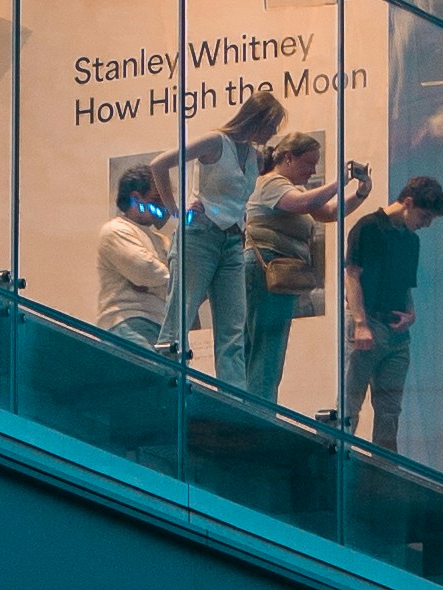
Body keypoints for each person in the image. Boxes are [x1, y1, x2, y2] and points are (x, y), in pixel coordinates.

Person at [151, 87, 283, 377]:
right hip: (200, 236)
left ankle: (232, 398)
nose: (273, 132)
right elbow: (159, 164)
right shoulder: (215, 142)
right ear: (257, 119)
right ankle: (167, 385)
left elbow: (238, 199)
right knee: (180, 317)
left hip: (233, 242)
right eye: (271, 125)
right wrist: (175, 210)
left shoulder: (256, 158)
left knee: (232, 330)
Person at [233, 136, 362, 410]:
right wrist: (339, 183)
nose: (312, 171)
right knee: (267, 348)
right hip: (268, 271)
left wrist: (360, 193)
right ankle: (260, 412)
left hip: (276, 275)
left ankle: (255, 407)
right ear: (288, 158)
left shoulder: (291, 188)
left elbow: (329, 212)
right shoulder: (272, 183)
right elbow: (302, 204)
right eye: (308, 163)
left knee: (264, 347)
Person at [339, 169, 443, 451]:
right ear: (408, 203)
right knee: (351, 401)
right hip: (368, 322)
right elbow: (352, 276)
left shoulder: (411, 240)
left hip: (397, 332)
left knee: (390, 409)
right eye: (424, 216)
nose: (426, 224)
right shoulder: (367, 227)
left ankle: (384, 465)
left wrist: (411, 314)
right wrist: (360, 323)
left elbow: (405, 285)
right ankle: (339, 456)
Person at [95, 168, 179, 343]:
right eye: (156, 199)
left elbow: (179, 283)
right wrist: (164, 281)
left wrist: (152, 285)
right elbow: (145, 270)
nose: (163, 206)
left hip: (163, 326)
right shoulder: (115, 230)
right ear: (136, 198)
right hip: (127, 322)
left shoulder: (162, 241)